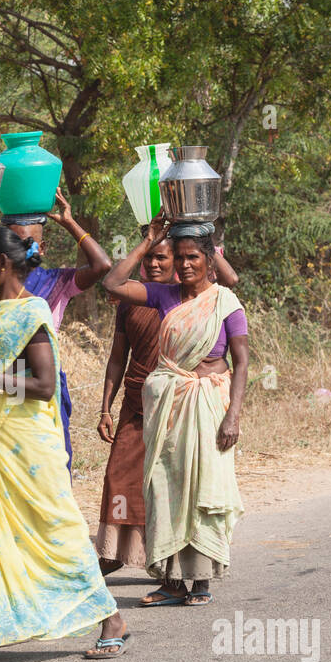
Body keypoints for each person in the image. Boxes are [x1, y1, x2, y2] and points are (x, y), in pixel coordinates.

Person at [0, 227, 129, 662]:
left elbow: (41, 387)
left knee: (55, 532)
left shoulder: (30, 313)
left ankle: (111, 619)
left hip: (27, 445)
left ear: (2, 264)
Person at [102, 215, 248, 607]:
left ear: (209, 261)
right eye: (179, 258)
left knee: (200, 487)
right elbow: (112, 283)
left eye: (192, 258)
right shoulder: (162, 296)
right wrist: (147, 240)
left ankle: (200, 580)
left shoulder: (225, 302)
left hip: (208, 408)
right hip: (167, 408)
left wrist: (233, 415)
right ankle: (171, 581)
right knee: (164, 486)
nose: (184, 265)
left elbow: (242, 361)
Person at [2, 188, 113, 468]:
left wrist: (70, 223)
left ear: (42, 249)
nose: (21, 250)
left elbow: (102, 265)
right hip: (4, 386)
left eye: (29, 244)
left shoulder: (57, 283)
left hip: (44, 385)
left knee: (50, 464)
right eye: (13, 243)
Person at [93, 227, 175, 575]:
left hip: (173, 405)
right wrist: (105, 407)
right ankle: (113, 552)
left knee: (165, 482)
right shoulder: (131, 299)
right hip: (134, 402)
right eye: (149, 257)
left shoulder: (186, 298)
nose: (154, 264)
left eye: (162, 257)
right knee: (119, 477)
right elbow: (117, 357)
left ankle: (165, 557)